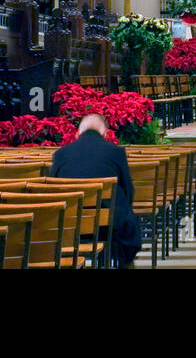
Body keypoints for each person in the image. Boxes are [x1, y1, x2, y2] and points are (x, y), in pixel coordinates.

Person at [49, 113, 142, 267]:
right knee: (124, 215)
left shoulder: (60, 154)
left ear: (78, 133)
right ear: (105, 133)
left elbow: (53, 193)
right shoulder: (116, 152)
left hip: (70, 228)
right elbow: (128, 191)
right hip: (108, 229)